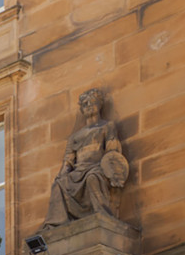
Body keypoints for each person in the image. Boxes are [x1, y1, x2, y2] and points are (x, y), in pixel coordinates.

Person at [45, 89, 130, 226]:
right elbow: (68, 161)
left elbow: (111, 151)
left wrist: (113, 170)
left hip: (96, 168)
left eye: (92, 102)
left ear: (99, 104)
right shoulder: (75, 137)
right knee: (58, 184)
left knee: (93, 177)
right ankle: (56, 223)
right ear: (82, 108)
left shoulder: (107, 127)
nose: (89, 105)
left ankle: (102, 214)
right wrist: (62, 175)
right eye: (85, 103)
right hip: (78, 171)